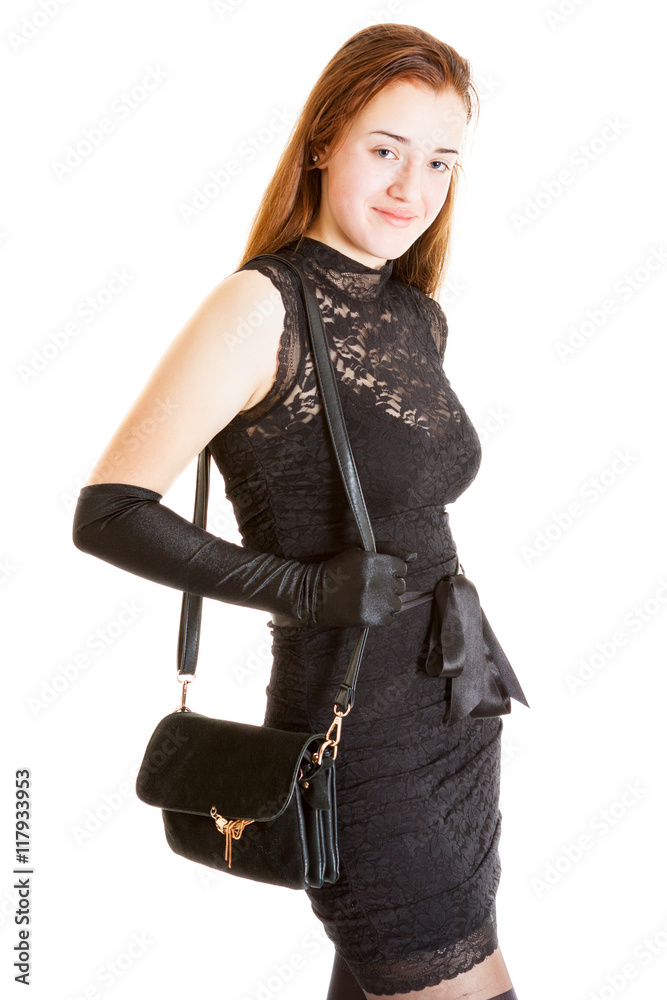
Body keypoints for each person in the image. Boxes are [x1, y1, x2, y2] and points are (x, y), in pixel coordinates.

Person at [72, 22, 527, 1000]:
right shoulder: (259, 306)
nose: (413, 187)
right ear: (324, 141)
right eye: (385, 150)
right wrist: (304, 586)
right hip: (356, 737)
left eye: (440, 161)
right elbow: (108, 509)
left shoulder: (414, 313)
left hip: (457, 719)